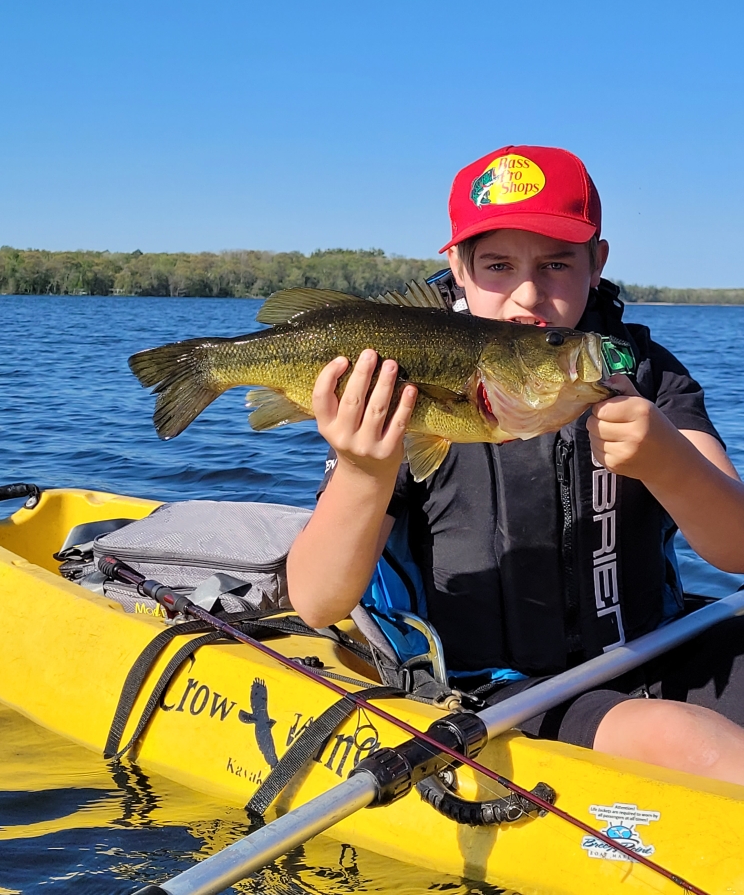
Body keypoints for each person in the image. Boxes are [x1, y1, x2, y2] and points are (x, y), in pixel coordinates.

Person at [287, 144, 744, 784]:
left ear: (597, 262)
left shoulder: (646, 374)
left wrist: (670, 462)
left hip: (653, 647)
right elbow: (314, 600)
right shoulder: (408, 382)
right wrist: (365, 470)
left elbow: (736, 550)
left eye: (557, 264)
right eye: (498, 265)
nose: (528, 293)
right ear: (458, 267)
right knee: (687, 743)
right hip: (495, 694)